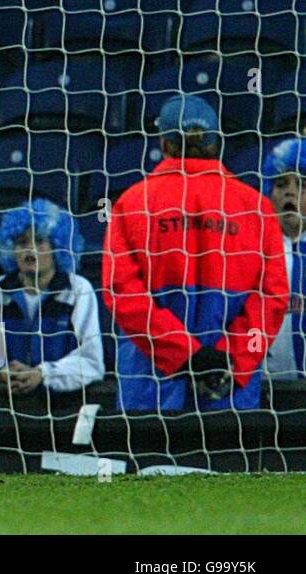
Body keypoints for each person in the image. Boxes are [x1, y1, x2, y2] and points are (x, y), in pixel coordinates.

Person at [104, 95, 289, 413]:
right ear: (217, 142)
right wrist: (234, 357)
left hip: (151, 387)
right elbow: (272, 300)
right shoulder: (257, 207)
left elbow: (123, 296)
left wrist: (185, 354)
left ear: (164, 143)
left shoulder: (131, 203)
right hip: (229, 386)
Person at [0, 199, 104, 395]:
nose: (30, 250)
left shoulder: (78, 290)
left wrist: (43, 374)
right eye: (22, 242)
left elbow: (91, 362)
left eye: (39, 241)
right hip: (4, 403)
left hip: (64, 407)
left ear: (58, 246)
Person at [260, 137, 306, 381]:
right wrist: (253, 356)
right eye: (280, 184)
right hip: (268, 383)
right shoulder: (255, 253)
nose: (291, 191)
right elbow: (250, 324)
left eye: (303, 185)